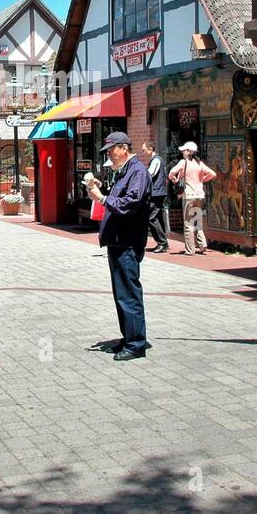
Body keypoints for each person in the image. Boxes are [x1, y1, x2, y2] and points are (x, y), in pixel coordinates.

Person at [86, 132, 151, 362]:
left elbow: (130, 203)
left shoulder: (137, 172)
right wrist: (101, 189)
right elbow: (121, 197)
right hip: (117, 242)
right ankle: (129, 337)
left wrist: (102, 198)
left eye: (112, 151)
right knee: (121, 294)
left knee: (128, 294)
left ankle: (136, 344)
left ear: (124, 148)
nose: (110, 157)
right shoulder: (125, 171)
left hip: (127, 242)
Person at [169, 142, 217, 255]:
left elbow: (171, 173)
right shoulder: (199, 163)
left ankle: (190, 250)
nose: (182, 152)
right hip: (199, 195)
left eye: (184, 150)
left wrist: (175, 180)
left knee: (188, 223)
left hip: (188, 195)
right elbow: (213, 174)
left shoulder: (183, 162)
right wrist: (202, 180)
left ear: (189, 152)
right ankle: (202, 244)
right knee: (197, 221)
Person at [140, 141, 169, 253]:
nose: (143, 152)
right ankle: (162, 243)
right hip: (158, 192)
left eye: (144, 150)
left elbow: (150, 174)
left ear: (150, 149)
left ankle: (162, 243)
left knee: (151, 217)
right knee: (156, 217)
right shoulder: (156, 160)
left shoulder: (156, 160)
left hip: (157, 193)